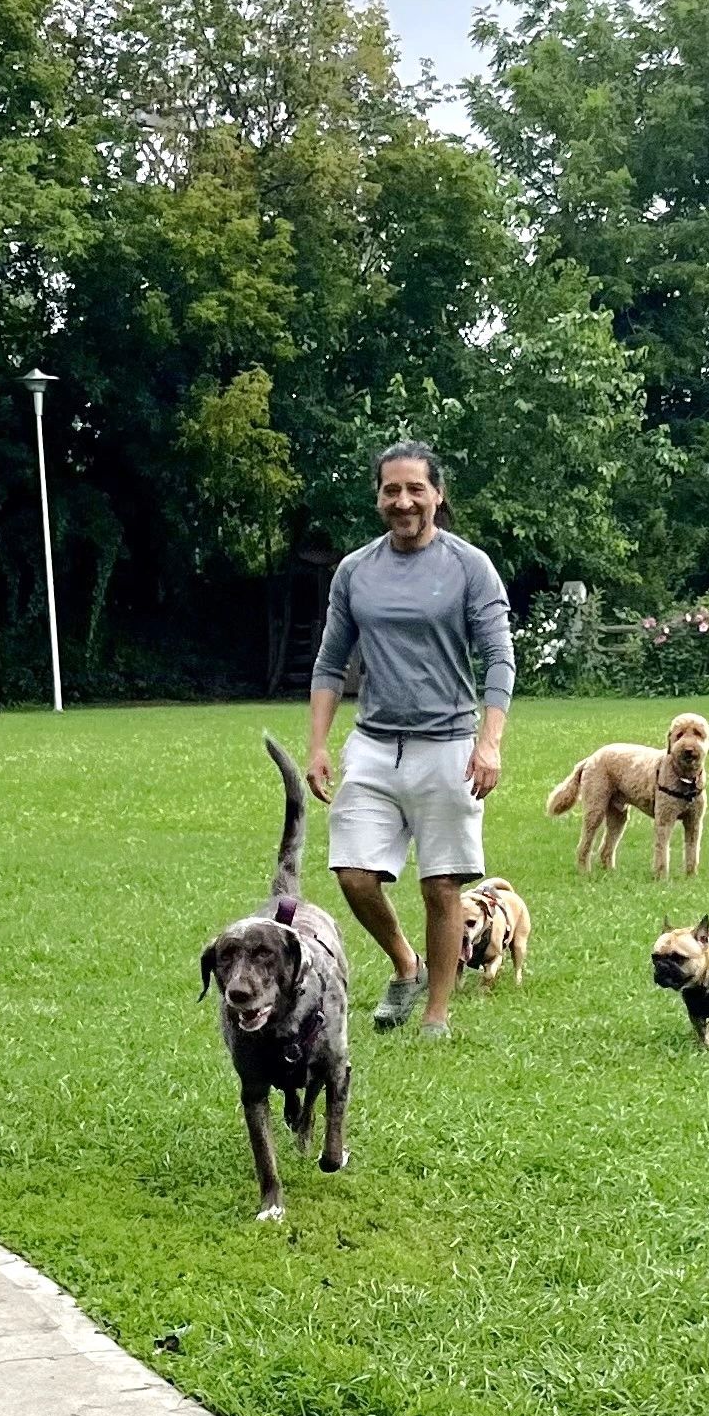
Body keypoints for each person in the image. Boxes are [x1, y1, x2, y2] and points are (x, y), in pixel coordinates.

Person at [306, 441, 514, 1038]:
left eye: (415, 489)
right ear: (379, 497)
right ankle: (405, 962)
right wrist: (319, 746)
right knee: (352, 872)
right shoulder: (355, 571)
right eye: (391, 490)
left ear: (437, 495)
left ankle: (437, 1014)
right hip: (373, 744)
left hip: (449, 744)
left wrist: (490, 741)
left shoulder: (469, 566)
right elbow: (329, 663)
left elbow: (499, 658)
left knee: (442, 884)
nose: (403, 502)